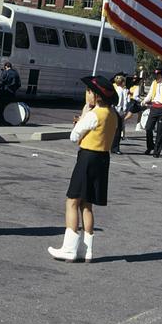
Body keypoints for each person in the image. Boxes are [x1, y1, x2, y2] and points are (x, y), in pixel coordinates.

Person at [47, 75, 118, 263]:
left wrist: (84, 115)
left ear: (96, 96)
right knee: (87, 204)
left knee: (71, 201)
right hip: (103, 159)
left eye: (89, 92)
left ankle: (69, 248)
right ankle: (87, 249)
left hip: (87, 157)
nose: (86, 95)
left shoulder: (94, 114)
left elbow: (73, 136)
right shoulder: (112, 114)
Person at [140, 67, 162, 157]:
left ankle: (156, 152)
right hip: (154, 108)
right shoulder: (154, 83)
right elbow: (150, 95)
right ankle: (150, 146)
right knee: (148, 128)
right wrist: (144, 101)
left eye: (158, 75)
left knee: (160, 131)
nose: (156, 77)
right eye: (156, 75)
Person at [111, 74, 128, 154]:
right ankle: (115, 148)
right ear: (122, 82)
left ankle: (112, 146)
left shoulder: (116, 89)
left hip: (115, 110)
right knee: (118, 130)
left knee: (115, 129)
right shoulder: (121, 90)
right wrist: (123, 111)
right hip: (118, 111)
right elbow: (121, 102)